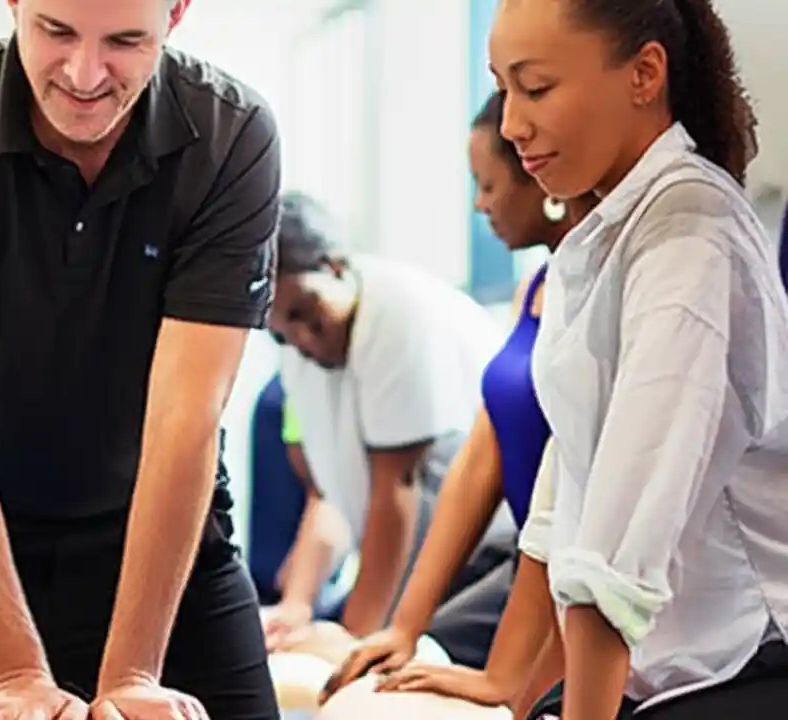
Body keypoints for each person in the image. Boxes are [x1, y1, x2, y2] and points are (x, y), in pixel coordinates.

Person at [0, 0, 282, 717]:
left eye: (125, 41)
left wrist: (133, 675)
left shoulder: (231, 135)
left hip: (155, 528)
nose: (85, 74)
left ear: (177, 12)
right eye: (56, 31)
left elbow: (186, 420)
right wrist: (13, 676)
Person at [485, 0, 788, 717]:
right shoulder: (605, 236)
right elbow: (568, 510)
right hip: (664, 666)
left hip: (748, 661)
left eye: (536, 88)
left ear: (644, 73)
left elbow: (614, 562)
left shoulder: (690, 242)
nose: (510, 125)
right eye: (503, 90)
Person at [314, 91, 596, 715]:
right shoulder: (539, 285)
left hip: (574, 577)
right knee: (366, 682)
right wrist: (403, 626)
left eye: (487, 183)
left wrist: (509, 681)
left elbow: (569, 505)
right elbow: (482, 457)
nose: (480, 203)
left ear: (539, 174)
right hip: (527, 567)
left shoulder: (600, 294)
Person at [262, 190, 515, 668]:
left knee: (394, 671)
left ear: (336, 267)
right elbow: (328, 497)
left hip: (492, 558)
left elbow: (394, 490)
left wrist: (355, 641)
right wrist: (297, 605)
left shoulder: (399, 314)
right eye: (278, 331)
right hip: (418, 570)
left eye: (304, 314)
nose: (299, 338)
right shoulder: (300, 353)